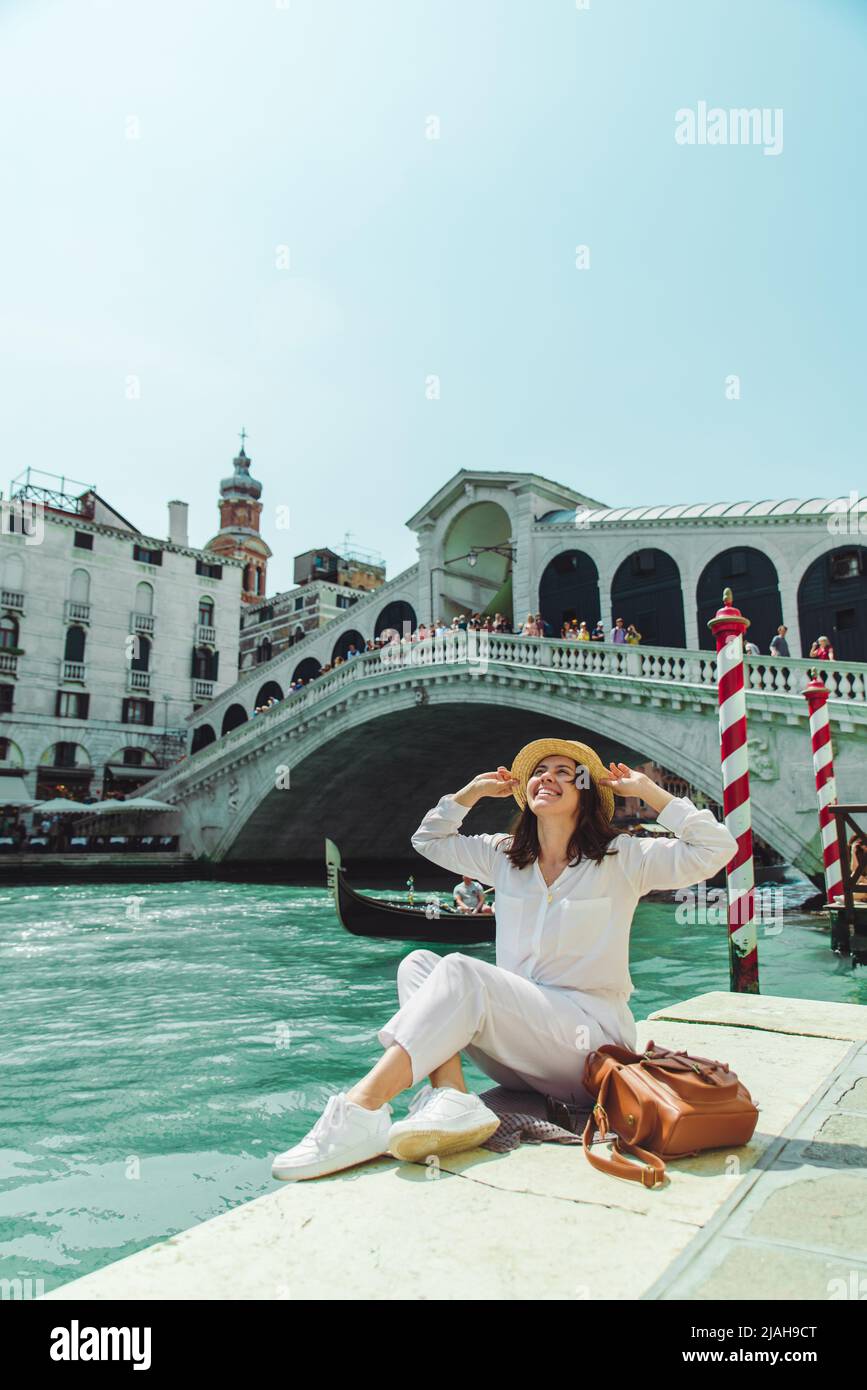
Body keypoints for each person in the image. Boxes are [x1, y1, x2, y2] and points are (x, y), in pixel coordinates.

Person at [271, 737, 737, 1181]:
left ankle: (362, 1109)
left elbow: (718, 849)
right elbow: (428, 840)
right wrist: (471, 793)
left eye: (562, 772)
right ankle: (452, 1095)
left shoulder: (624, 857)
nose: (545, 777)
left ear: (585, 792)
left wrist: (649, 791)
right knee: (416, 963)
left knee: (459, 971)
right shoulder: (504, 856)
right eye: (537, 771)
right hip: (519, 1048)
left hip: (587, 1048)